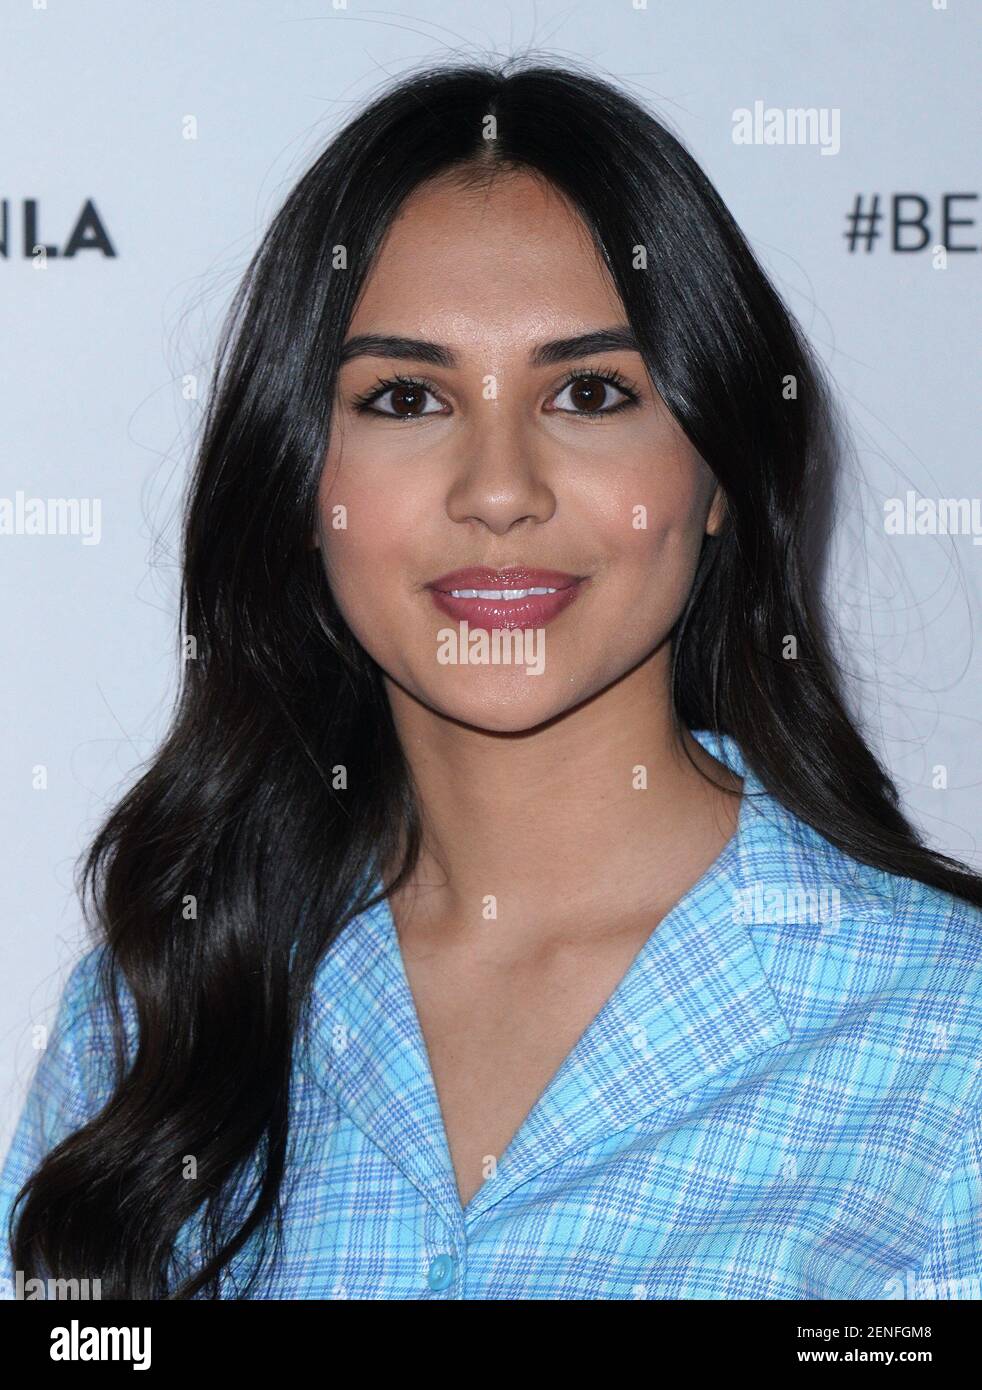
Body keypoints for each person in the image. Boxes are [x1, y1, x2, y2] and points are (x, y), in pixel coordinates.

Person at [3, 59, 981, 1301]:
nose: (499, 489)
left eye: (588, 392)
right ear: (304, 482)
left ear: (719, 469)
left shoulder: (949, 1039)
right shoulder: (159, 1011)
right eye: (406, 397)